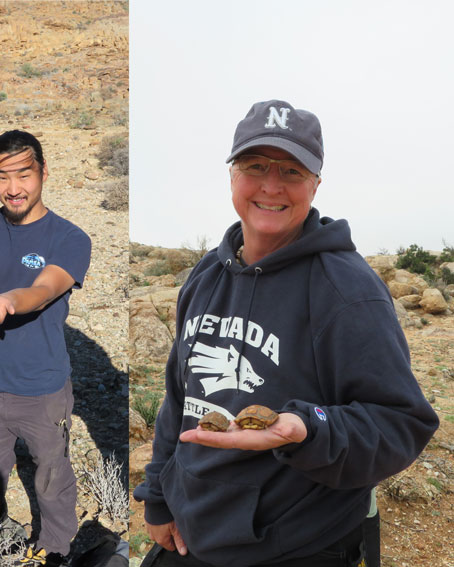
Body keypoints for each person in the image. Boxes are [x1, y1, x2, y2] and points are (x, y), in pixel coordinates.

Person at [133, 100, 439, 567]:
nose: (272, 185)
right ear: (232, 174)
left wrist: (307, 429)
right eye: (255, 166)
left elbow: (401, 423)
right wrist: (157, 497)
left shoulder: (347, 290)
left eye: (293, 172)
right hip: (189, 532)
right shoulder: (205, 276)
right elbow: (179, 398)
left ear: (316, 184)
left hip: (293, 543)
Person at [0, 130, 91, 567]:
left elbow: (43, 290)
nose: (13, 188)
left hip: (44, 388)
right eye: (1, 176)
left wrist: (6, 302)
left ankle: (58, 549)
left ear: (44, 172)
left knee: (51, 476)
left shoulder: (69, 238)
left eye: (23, 174)